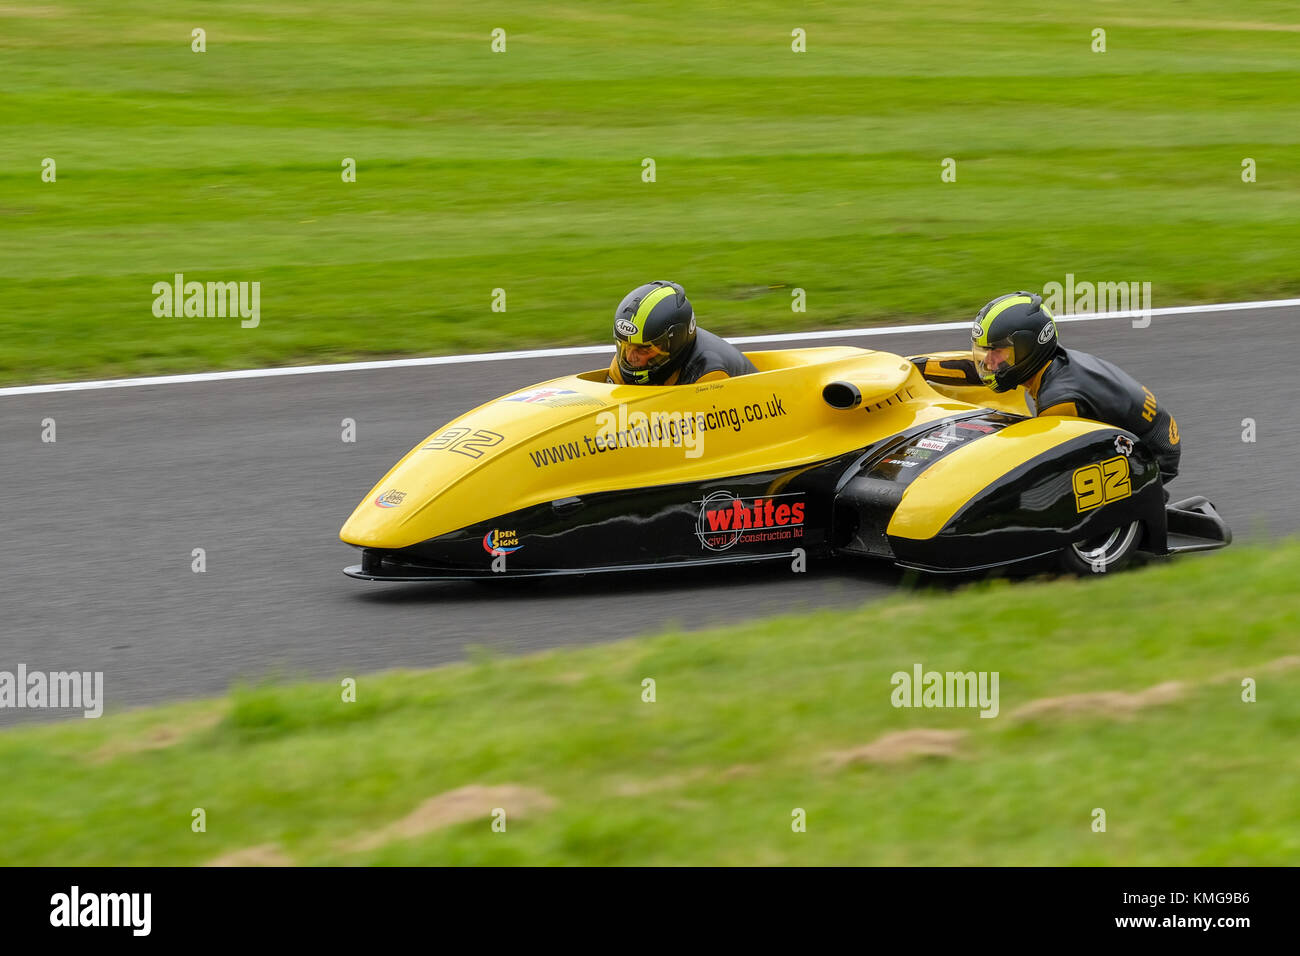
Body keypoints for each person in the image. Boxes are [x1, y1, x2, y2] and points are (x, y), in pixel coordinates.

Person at [919, 291, 1181, 482]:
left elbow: (1042, 462)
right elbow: (972, 370)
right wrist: (914, 366)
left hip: (1151, 457)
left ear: (1027, 347)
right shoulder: (1048, 363)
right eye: (984, 351)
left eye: (998, 351)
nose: (989, 361)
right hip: (1147, 434)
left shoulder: (1060, 397)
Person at [607, 280, 757, 386]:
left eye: (644, 349)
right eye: (625, 346)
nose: (630, 357)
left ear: (675, 343)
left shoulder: (708, 376)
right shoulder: (622, 364)